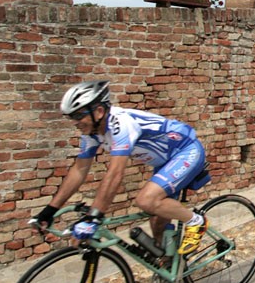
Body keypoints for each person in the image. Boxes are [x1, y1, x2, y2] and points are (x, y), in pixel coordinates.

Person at [32, 80, 210, 256]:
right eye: (72, 118)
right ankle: (170, 264)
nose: (75, 122)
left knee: (146, 200)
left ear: (99, 111)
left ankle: (196, 221)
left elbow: (115, 173)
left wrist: (95, 216)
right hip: (165, 163)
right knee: (156, 220)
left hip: (185, 150)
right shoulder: (91, 134)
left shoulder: (121, 124)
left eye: (79, 115)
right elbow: (79, 171)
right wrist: (50, 210)